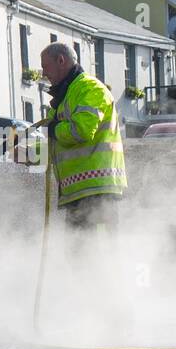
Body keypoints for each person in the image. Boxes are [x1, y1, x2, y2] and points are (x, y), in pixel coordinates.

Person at [39, 42, 126, 233]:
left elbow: (81, 131)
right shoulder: (68, 95)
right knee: (79, 256)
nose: (44, 74)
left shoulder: (89, 88)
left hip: (97, 191)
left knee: (97, 254)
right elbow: (57, 144)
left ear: (61, 60)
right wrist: (23, 154)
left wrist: (54, 129)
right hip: (82, 192)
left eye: (46, 66)